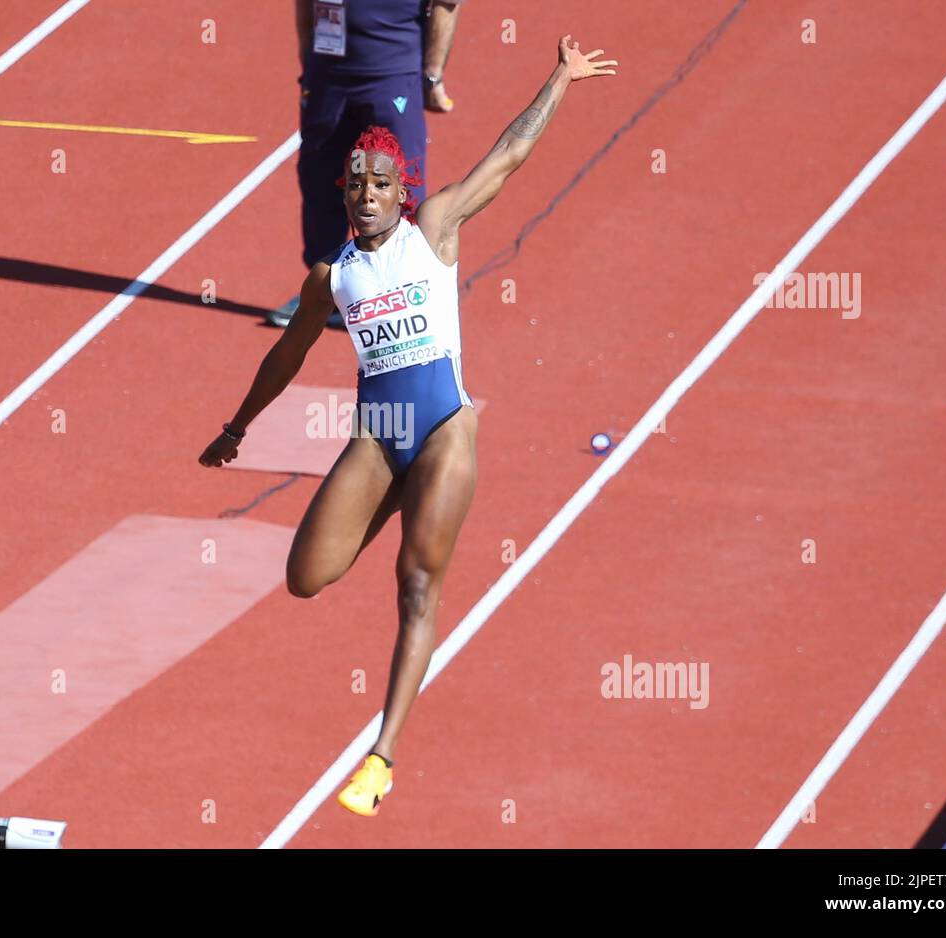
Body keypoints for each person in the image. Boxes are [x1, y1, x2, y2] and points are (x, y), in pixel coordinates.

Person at [201, 36, 617, 816]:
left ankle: (381, 757)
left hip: (442, 433)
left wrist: (559, 79)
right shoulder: (333, 276)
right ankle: (389, 501)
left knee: (416, 586)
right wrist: (238, 427)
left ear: (402, 192)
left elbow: (508, 156)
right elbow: (286, 358)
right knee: (304, 578)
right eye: (355, 182)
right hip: (377, 436)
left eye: (379, 183)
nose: (364, 192)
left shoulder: (435, 230)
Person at [267, 0, 467, 328]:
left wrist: (432, 74)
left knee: (399, 187)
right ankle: (327, 292)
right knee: (321, 182)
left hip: (391, 75)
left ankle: (398, 295)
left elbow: (447, 4)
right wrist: (308, 59)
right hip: (327, 79)